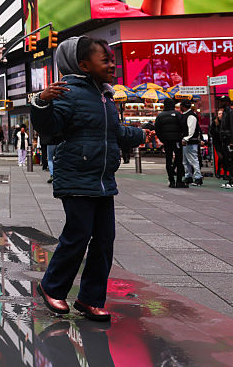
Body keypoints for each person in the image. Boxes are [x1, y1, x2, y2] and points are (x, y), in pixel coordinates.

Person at [30, 37, 151, 321]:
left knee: (105, 240)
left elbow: (114, 132)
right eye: (105, 59)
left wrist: (143, 134)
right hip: (76, 176)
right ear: (83, 65)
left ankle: (90, 299)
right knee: (78, 235)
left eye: (112, 58)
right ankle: (52, 287)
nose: (112, 64)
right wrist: (40, 103)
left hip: (102, 180)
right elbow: (51, 128)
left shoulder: (104, 95)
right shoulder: (69, 92)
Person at [154, 99, 187, 188]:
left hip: (167, 141)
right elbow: (184, 127)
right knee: (179, 160)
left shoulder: (160, 116)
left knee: (168, 160)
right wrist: (181, 136)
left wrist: (162, 139)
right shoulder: (178, 114)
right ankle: (179, 181)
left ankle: (171, 180)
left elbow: (157, 129)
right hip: (177, 140)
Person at [218, 99, 233, 189]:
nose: (221, 103)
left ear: (227, 102)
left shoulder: (230, 112)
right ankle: (232, 179)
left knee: (232, 160)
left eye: (222, 101)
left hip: (229, 140)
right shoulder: (226, 112)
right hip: (226, 139)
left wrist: (232, 141)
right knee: (229, 160)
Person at [180, 100, 203, 186]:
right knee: (185, 161)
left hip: (190, 141)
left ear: (183, 106)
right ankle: (188, 176)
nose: (180, 107)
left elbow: (191, 129)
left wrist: (186, 138)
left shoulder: (191, 115)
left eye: (181, 106)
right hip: (187, 141)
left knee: (193, 159)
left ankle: (198, 177)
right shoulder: (187, 115)